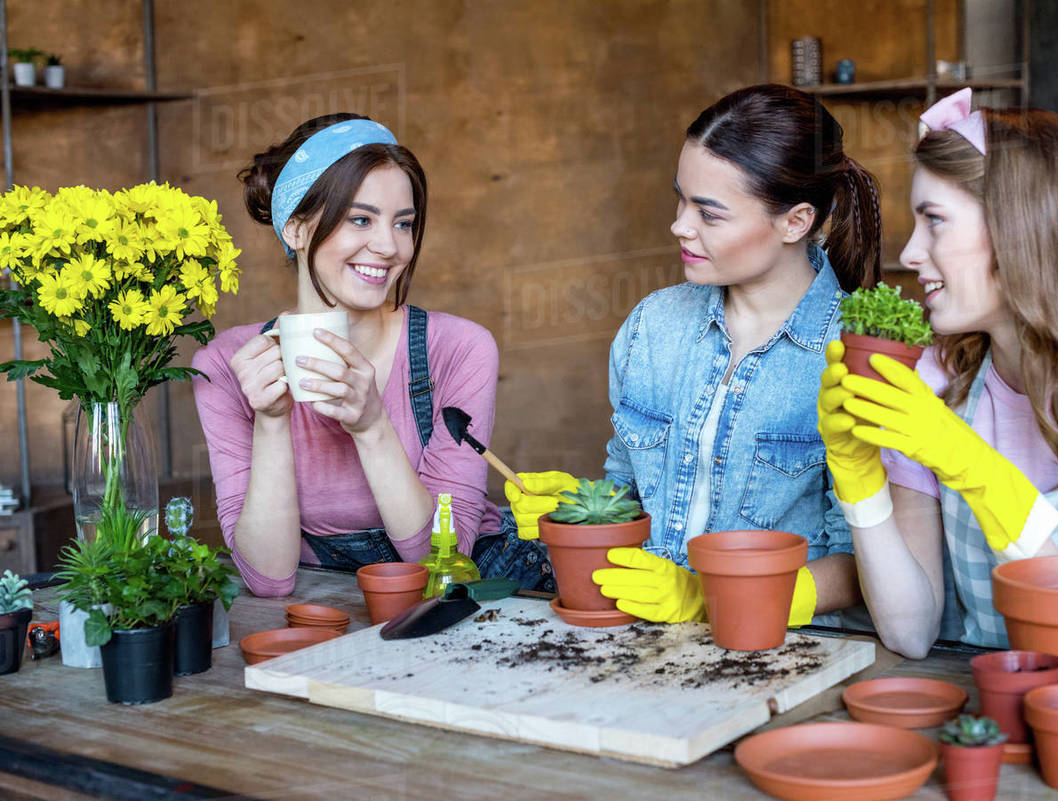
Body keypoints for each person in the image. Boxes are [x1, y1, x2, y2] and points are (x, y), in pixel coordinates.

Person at [819, 89, 1058, 659]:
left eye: (936, 222)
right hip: (976, 705)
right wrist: (859, 481)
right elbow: (911, 632)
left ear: (1020, 230)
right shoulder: (930, 383)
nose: (912, 252)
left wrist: (978, 472)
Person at [506, 84, 883, 627]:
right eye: (681, 198)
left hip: (783, 646)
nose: (680, 225)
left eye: (709, 213)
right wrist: (581, 510)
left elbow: (865, 562)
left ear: (794, 222)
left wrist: (707, 597)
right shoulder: (652, 325)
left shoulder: (857, 354)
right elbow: (632, 492)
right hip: (644, 634)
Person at [193, 113, 516, 597]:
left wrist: (371, 426)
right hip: (332, 612)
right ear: (297, 228)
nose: (389, 247)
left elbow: (442, 564)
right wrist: (273, 421)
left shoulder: (459, 349)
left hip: (465, 604)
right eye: (360, 219)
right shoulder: (225, 367)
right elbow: (270, 578)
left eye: (403, 224)